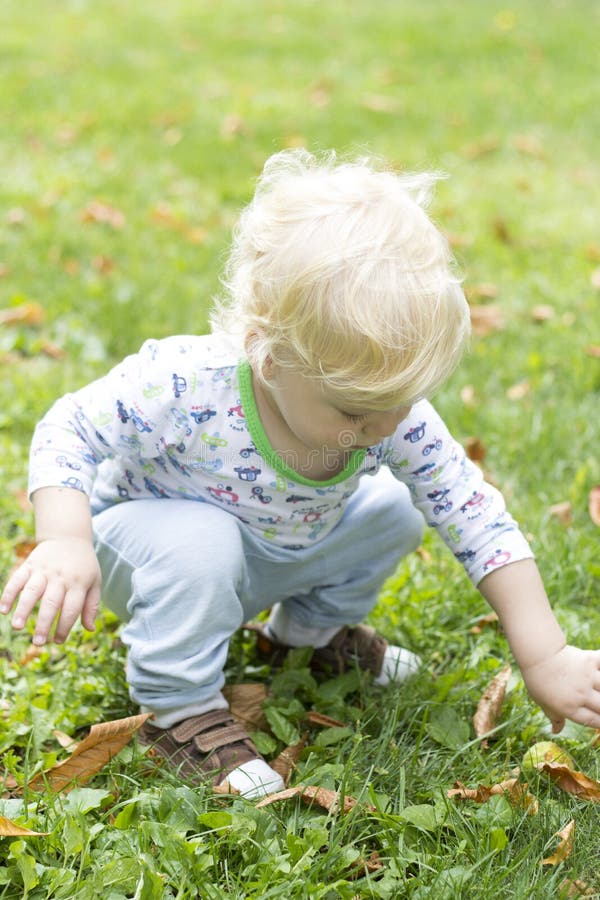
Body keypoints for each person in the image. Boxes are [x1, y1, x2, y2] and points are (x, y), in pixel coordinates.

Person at [2, 150, 600, 799]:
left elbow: (475, 516)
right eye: (356, 410)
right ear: (268, 352)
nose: (386, 426)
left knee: (391, 513)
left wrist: (545, 655)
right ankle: (179, 708)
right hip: (149, 558)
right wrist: (65, 539)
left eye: (400, 402)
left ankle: (305, 634)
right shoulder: (184, 383)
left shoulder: (388, 412)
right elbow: (70, 426)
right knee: (201, 541)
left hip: (274, 550)